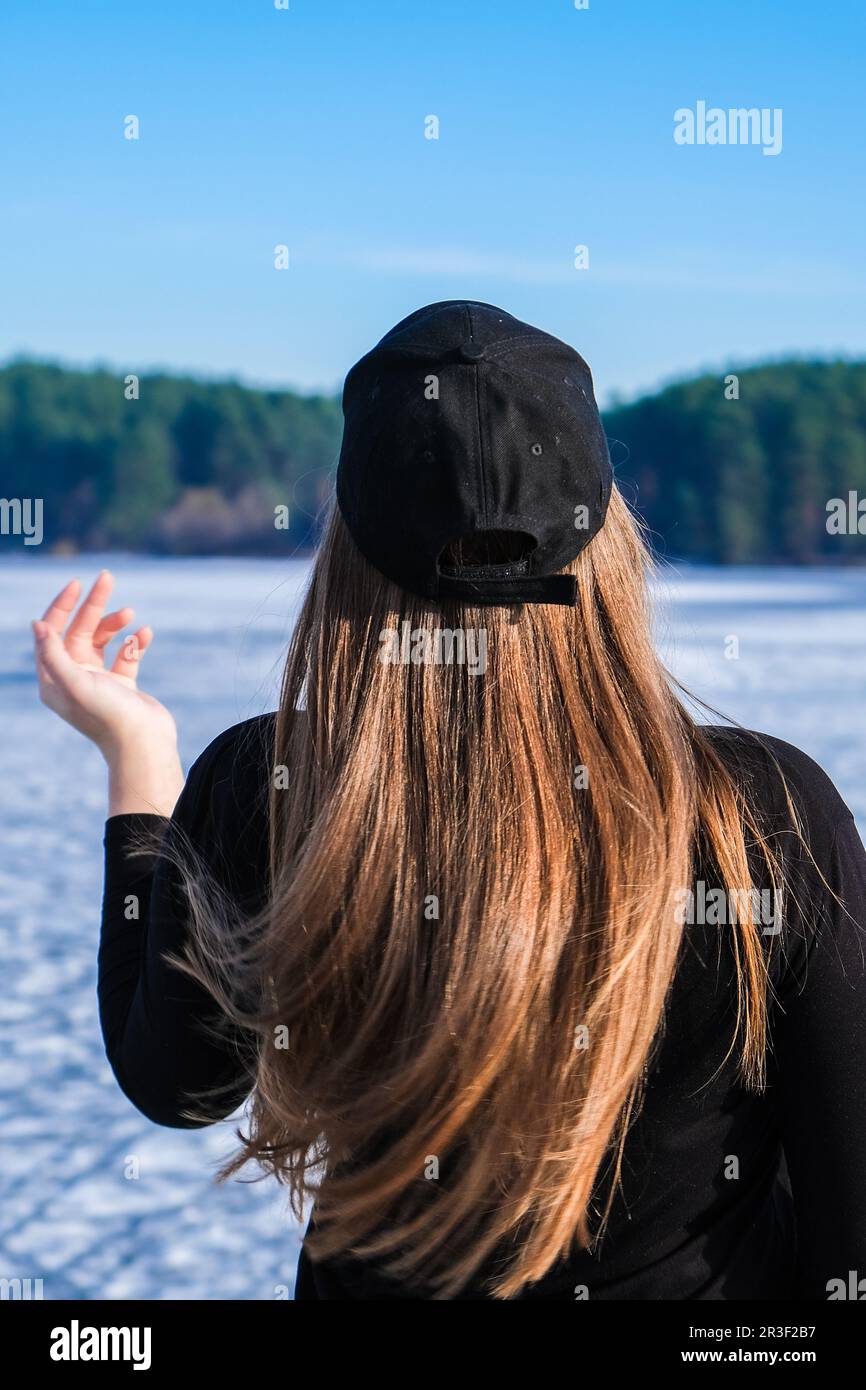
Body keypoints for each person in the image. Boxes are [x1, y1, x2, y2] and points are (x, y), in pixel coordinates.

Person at [32, 301, 866, 1300]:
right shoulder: (760, 814)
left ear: (347, 547)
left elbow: (177, 1084)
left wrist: (138, 755)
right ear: (606, 540)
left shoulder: (274, 785)